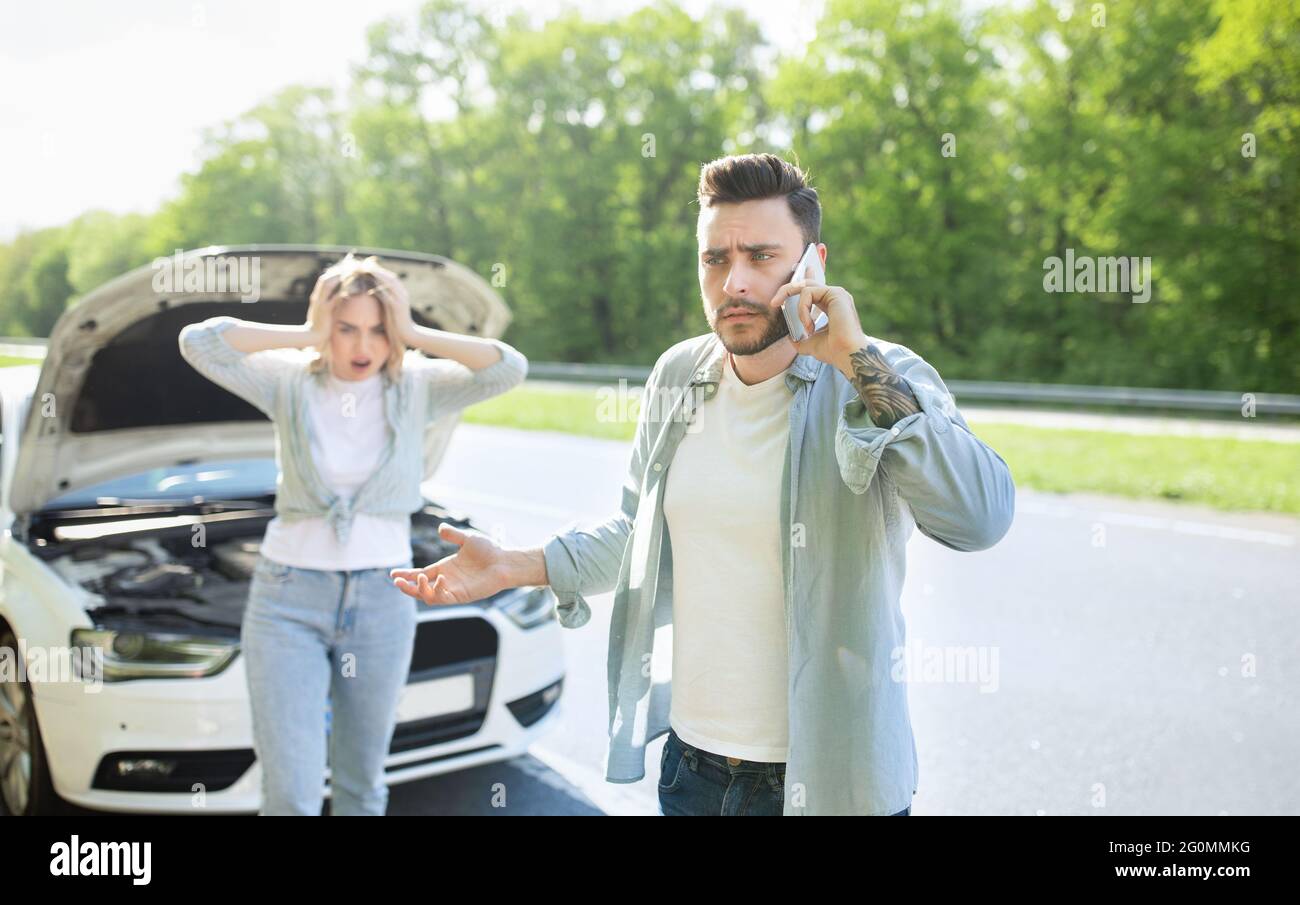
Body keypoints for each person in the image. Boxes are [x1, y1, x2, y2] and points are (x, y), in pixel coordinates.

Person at [391, 154, 1016, 816]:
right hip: (694, 770)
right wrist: (517, 565)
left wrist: (857, 362)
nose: (734, 281)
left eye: (760, 256)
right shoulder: (677, 373)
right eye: (715, 259)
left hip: (833, 780)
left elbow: (979, 518)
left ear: (813, 264)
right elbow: (642, 534)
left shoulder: (878, 374)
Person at [178, 253, 527, 814]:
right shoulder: (288, 379)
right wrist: (307, 330)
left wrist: (412, 330)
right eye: (346, 329)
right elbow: (201, 342)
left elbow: (508, 368)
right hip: (287, 600)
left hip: (381, 601)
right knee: (290, 795)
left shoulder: (417, 386)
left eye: (377, 330)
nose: (363, 346)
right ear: (327, 328)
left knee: (361, 789)